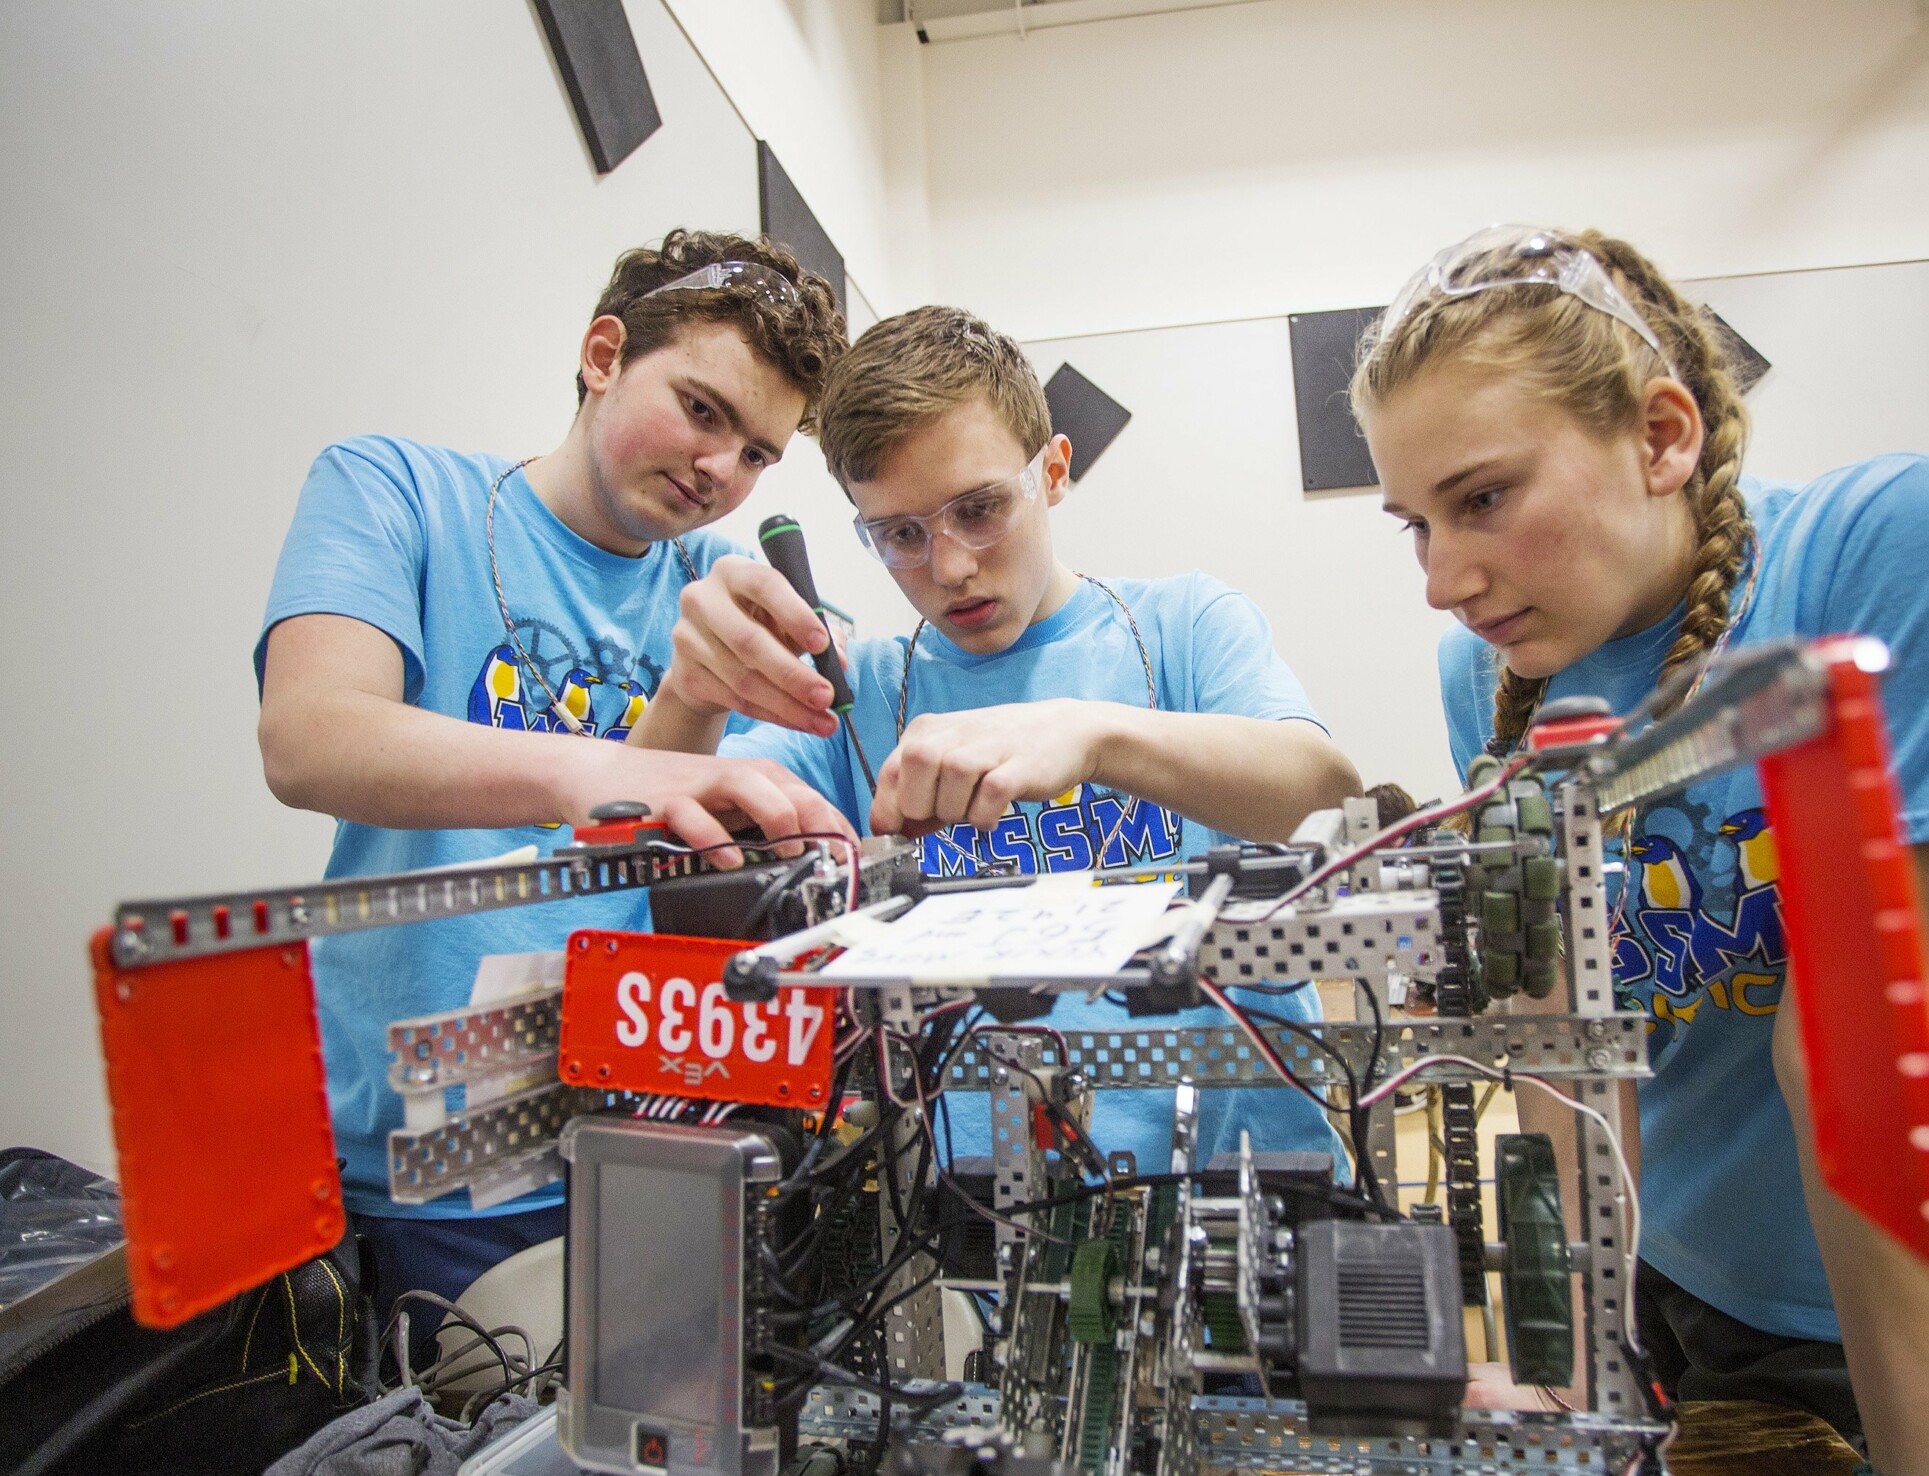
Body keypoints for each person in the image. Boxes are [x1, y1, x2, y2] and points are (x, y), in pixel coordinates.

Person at [1352, 225, 1929, 1476]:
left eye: (1481, 498)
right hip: (1664, 1280)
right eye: (1415, 521)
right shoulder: (1493, 674)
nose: (1440, 575)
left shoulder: (1909, 546)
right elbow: (1563, 1062)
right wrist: (1573, 1368)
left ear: (1663, 432)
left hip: (1874, 1332)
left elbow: (1847, 1040)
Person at [255, 230, 855, 1316]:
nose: (722, 467)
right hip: (431, 1171)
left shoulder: (722, 589)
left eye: (759, 451)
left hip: (655, 1146)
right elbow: (311, 737)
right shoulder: (396, 490)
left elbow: (674, 841)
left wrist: (707, 699)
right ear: (601, 352)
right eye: (703, 409)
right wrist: (590, 771)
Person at [629, 304, 1361, 1169]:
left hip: (1237, 1187)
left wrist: (1092, 734)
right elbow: (641, 850)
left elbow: (1326, 795)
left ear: (1053, 471)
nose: (949, 567)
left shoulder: (1184, 628)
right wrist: (691, 694)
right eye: (900, 534)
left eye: (979, 509)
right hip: (971, 1222)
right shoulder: (853, 695)